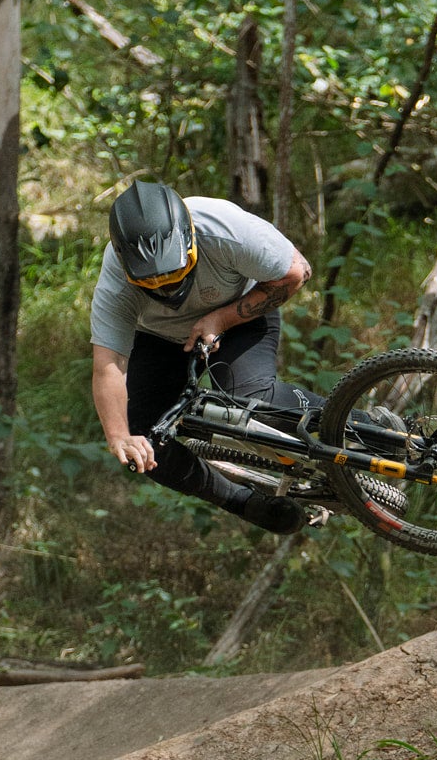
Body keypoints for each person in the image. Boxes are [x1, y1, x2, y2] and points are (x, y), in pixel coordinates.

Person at [89, 178, 315, 537]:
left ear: (190, 238)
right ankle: (244, 502)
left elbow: (296, 272)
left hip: (239, 315)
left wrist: (222, 318)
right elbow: (108, 366)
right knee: (143, 440)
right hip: (160, 337)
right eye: (152, 284)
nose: (166, 288)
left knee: (255, 400)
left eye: (177, 274)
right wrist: (119, 436)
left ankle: (350, 417)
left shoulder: (225, 229)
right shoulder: (116, 281)